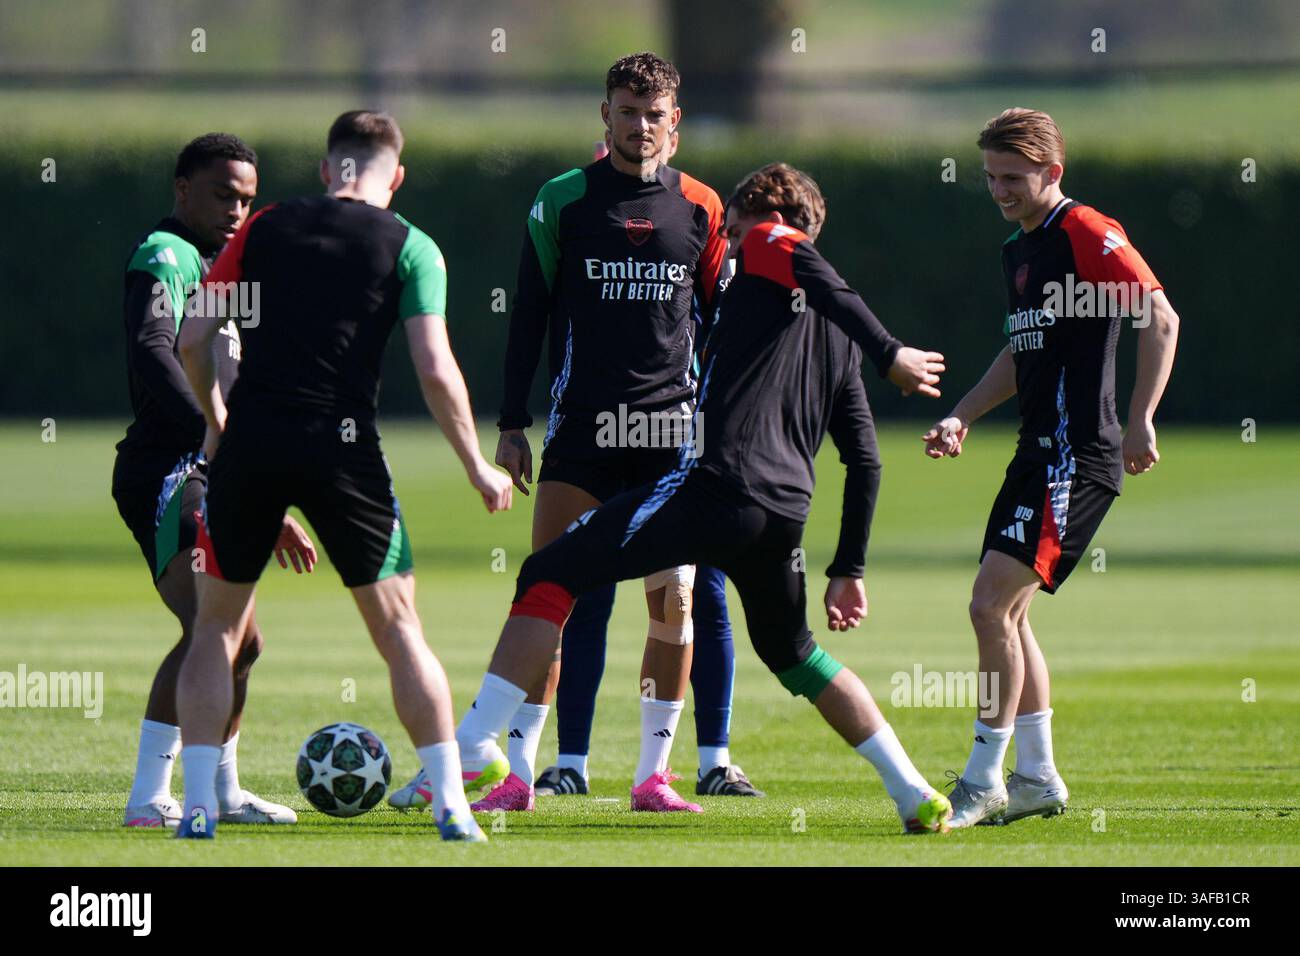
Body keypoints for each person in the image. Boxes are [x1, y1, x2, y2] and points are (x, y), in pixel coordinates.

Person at [454, 161, 955, 833]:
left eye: (736, 232)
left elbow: (784, 247)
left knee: (549, 572)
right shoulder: (835, 335)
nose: (731, 254)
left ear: (755, 221)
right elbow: (864, 458)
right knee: (798, 657)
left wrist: (892, 351)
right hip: (781, 521)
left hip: (715, 491)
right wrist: (849, 568)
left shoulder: (766, 241)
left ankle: (472, 749)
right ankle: (912, 789)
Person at [393, 52, 757, 815]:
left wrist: (723, 426)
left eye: (654, 114)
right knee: (549, 590)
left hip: (669, 435)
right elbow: (528, 313)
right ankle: (517, 773)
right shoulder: (562, 200)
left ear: (674, 122)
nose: (640, 126)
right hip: (582, 433)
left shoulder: (701, 206)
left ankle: (653, 777)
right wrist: (513, 423)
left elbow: (723, 324)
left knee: (677, 605)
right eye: (627, 111)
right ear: (605, 115)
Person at [173, 110, 512, 841]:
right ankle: (452, 803)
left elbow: (192, 337)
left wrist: (219, 419)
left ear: (329, 170)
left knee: (215, 628)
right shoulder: (412, 245)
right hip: (344, 445)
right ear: (398, 176)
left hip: (254, 442)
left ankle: (197, 805)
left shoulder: (262, 228)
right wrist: (476, 464)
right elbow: (434, 368)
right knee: (399, 628)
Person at [923, 108, 1180, 827]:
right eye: (990, 179)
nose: (999, 191)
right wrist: (961, 416)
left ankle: (983, 778)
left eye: (1012, 178)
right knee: (1011, 617)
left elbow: (1160, 319)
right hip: (1034, 453)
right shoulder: (1021, 249)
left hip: (1077, 456)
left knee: (987, 606)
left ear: (1051, 173)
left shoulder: (1086, 233)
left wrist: (1141, 417)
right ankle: (1035, 778)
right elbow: (1019, 353)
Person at [112, 132, 312, 829]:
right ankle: (148, 798)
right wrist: (212, 436)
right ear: (182, 189)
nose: (237, 209)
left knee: (241, 640)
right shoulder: (165, 255)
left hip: (217, 469)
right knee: (209, 626)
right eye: (224, 194)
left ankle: (223, 791)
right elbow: (150, 346)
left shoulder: (230, 271)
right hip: (171, 469)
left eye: (248, 199)